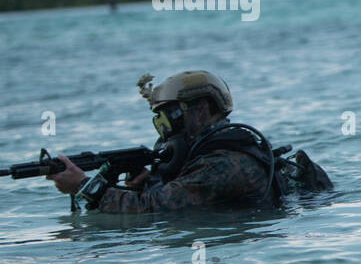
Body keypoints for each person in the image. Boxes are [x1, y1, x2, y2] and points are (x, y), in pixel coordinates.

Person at [44, 70, 330, 212]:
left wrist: (84, 187)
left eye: (167, 118)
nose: (164, 130)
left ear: (202, 109)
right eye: (159, 121)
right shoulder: (219, 155)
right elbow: (180, 196)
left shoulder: (222, 164)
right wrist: (146, 182)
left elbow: (152, 211)